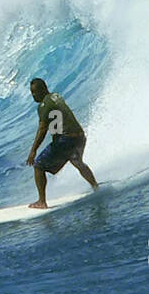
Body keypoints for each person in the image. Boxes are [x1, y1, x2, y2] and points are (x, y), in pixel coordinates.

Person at [24, 78, 98, 208]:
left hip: (67, 139)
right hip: (79, 137)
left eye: (35, 92)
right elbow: (57, 122)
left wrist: (33, 150)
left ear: (43, 89)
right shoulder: (56, 96)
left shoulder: (43, 106)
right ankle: (95, 186)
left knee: (38, 165)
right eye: (32, 92)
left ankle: (42, 201)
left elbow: (42, 129)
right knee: (77, 161)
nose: (33, 95)